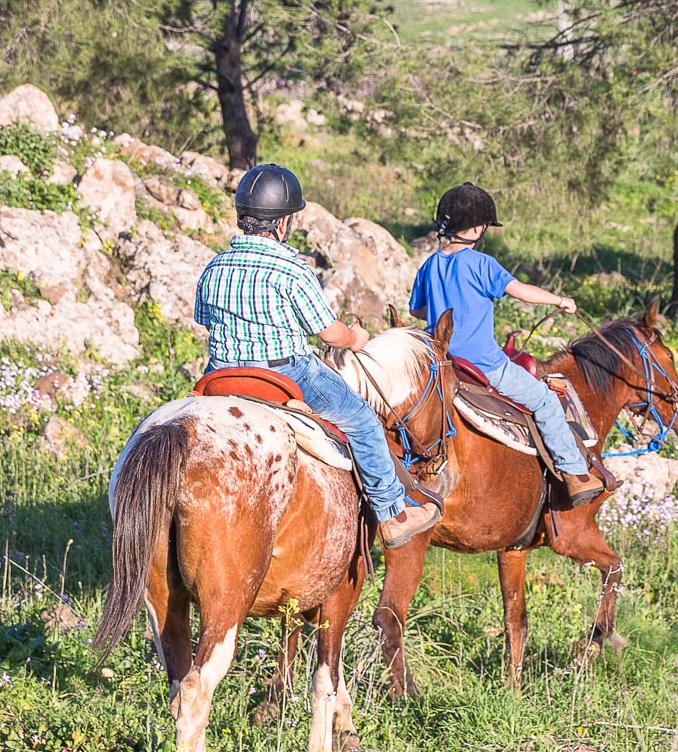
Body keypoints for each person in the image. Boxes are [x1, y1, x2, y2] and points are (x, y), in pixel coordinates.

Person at [193, 164, 441, 547]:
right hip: (286, 372)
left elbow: (204, 319)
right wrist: (355, 338)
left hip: (221, 374)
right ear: (283, 223)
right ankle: (392, 514)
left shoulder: (215, 266)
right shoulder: (292, 269)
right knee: (362, 419)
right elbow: (328, 333)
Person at [409, 183, 605, 507]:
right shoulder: (482, 264)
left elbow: (416, 310)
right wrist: (559, 300)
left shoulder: (429, 264)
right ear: (477, 228)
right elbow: (521, 291)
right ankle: (574, 474)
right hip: (483, 365)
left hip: (442, 364)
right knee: (545, 400)